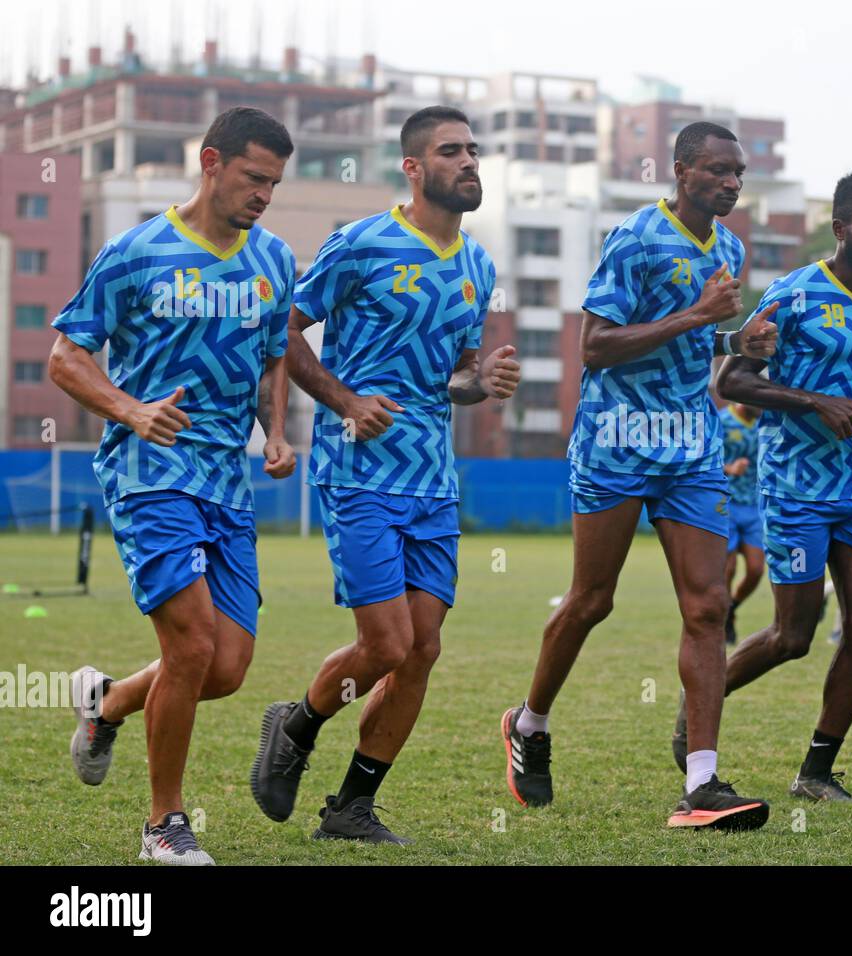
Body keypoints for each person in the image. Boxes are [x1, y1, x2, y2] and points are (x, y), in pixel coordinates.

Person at [250, 106, 519, 842]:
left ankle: (350, 808)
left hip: (434, 480)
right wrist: (344, 400)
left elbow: (456, 378)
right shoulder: (362, 243)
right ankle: (297, 725)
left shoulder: (477, 263)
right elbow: (285, 332)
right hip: (359, 472)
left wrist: (482, 379)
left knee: (422, 649)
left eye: (473, 150)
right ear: (412, 167)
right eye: (451, 151)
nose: (469, 162)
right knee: (386, 645)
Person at [501, 121, 778, 830]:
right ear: (682, 171)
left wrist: (733, 340)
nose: (732, 183)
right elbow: (595, 347)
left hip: (690, 446)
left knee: (709, 605)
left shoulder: (731, 247)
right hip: (617, 442)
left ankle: (703, 783)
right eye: (718, 170)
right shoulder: (635, 239)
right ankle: (528, 724)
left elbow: (693, 341)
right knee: (593, 601)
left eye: (739, 173)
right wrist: (700, 316)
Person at [52, 107, 298, 864]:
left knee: (224, 668)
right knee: (191, 644)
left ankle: (107, 703)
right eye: (254, 177)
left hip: (226, 481)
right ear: (211, 161)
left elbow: (275, 353)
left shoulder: (276, 259)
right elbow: (67, 356)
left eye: (275, 184)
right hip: (148, 473)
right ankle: (165, 824)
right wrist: (131, 409)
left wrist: (278, 430)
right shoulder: (137, 252)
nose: (264, 195)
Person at [675, 172, 852, 801]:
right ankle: (705, 696)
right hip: (795, 489)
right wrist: (812, 402)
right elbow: (732, 382)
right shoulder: (794, 295)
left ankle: (816, 772)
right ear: (841, 229)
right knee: (794, 636)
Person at [718, 401, 763, 644]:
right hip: (726, 504)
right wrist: (730, 468)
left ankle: (732, 606)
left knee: (756, 569)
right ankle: (724, 620)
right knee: (729, 569)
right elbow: (706, 457)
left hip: (752, 505)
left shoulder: (762, 423)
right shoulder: (722, 420)